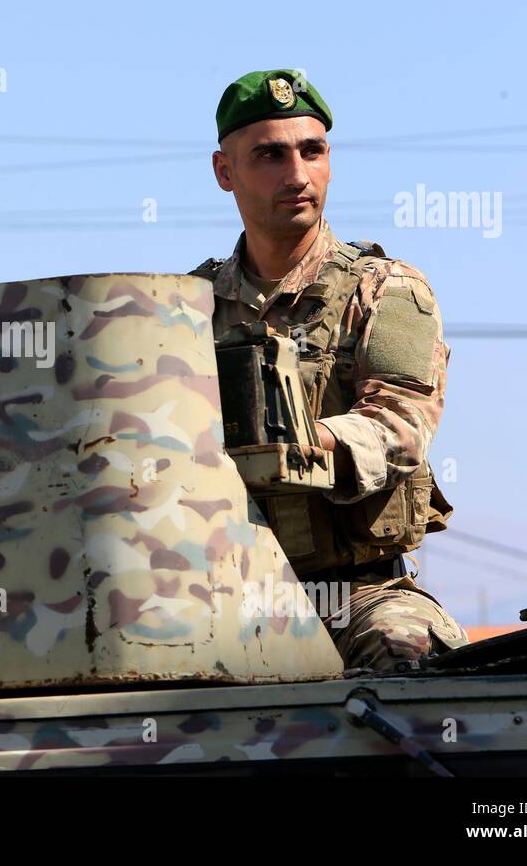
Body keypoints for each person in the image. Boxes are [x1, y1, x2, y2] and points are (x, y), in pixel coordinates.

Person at [191, 69, 469, 672]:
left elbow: (401, 425)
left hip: (352, 596)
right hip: (214, 596)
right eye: (269, 155)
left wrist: (314, 439)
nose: (296, 174)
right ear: (225, 173)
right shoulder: (184, 308)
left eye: (310, 151)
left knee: (410, 660)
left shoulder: (385, 290)